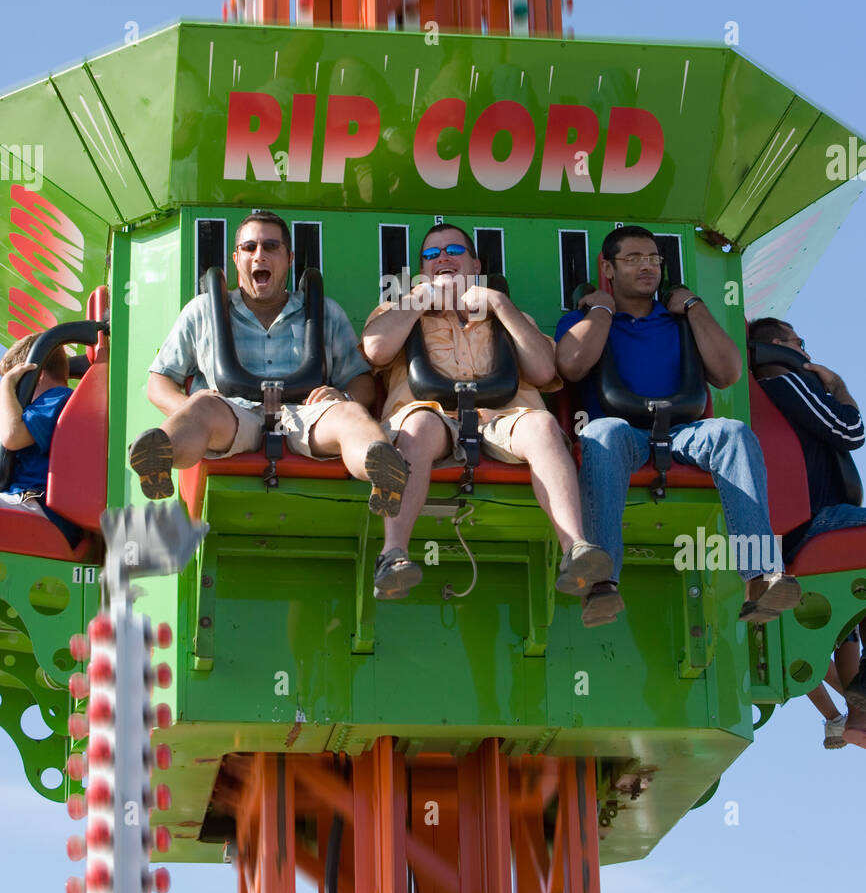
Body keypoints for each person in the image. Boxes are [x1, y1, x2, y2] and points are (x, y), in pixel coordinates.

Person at [359, 223, 613, 611]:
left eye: (454, 251)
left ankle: (576, 548)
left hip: (502, 418)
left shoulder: (509, 313)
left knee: (543, 424)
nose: (442, 258)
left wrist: (499, 304)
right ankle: (393, 554)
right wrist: (421, 297)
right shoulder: (401, 309)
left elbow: (544, 370)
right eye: (431, 255)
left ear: (476, 265)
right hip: (430, 417)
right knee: (417, 426)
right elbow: (376, 349)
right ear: (422, 268)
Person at [555, 226, 799, 626]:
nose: (647, 266)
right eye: (633, 259)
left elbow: (728, 373)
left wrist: (693, 306)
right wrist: (601, 311)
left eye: (653, 258)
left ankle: (761, 577)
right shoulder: (583, 319)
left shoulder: (682, 322)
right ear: (608, 268)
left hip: (683, 432)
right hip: (622, 434)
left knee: (733, 433)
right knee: (602, 433)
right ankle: (600, 583)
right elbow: (570, 365)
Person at [129, 211, 408, 516]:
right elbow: (159, 382)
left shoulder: (325, 312)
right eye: (249, 247)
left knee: (350, 414)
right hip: (231, 410)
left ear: (289, 258)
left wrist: (344, 396)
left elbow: (362, 381)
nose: (259, 255)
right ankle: (158, 458)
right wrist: (188, 404)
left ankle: (384, 473)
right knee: (202, 408)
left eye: (271, 247)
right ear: (236, 259)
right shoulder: (201, 312)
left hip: (306, 413)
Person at [749, 316, 866, 742]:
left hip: (816, 522)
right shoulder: (783, 381)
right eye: (801, 343)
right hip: (816, 523)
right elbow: (850, 430)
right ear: (780, 344)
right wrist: (837, 385)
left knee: (851, 613)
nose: (807, 352)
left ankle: (857, 712)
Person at [0, 335, 80, 544]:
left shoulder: (57, 398)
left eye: (17, 385)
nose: (15, 396)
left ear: (35, 375)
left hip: (40, 506)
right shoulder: (41, 408)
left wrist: (6, 386)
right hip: (27, 503)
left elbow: (12, 436)